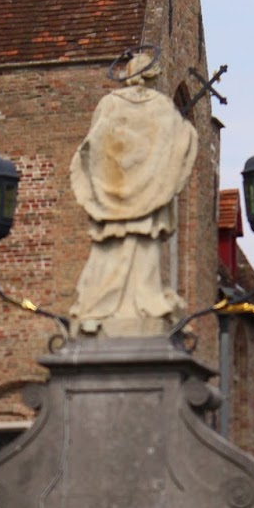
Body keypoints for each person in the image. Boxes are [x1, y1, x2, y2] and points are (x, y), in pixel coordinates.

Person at [68, 50, 198, 336]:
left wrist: (110, 182)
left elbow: (94, 146)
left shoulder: (109, 105)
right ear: (152, 76)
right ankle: (144, 304)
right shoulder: (162, 107)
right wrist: (186, 133)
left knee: (108, 253)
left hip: (111, 197)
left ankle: (98, 308)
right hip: (149, 198)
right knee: (144, 251)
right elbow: (174, 145)